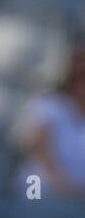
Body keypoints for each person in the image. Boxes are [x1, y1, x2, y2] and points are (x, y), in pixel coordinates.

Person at [14, 46, 85, 199]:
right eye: (80, 76)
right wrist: (64, 185)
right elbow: (38, 147)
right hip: (41, 193)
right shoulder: (49, 105)